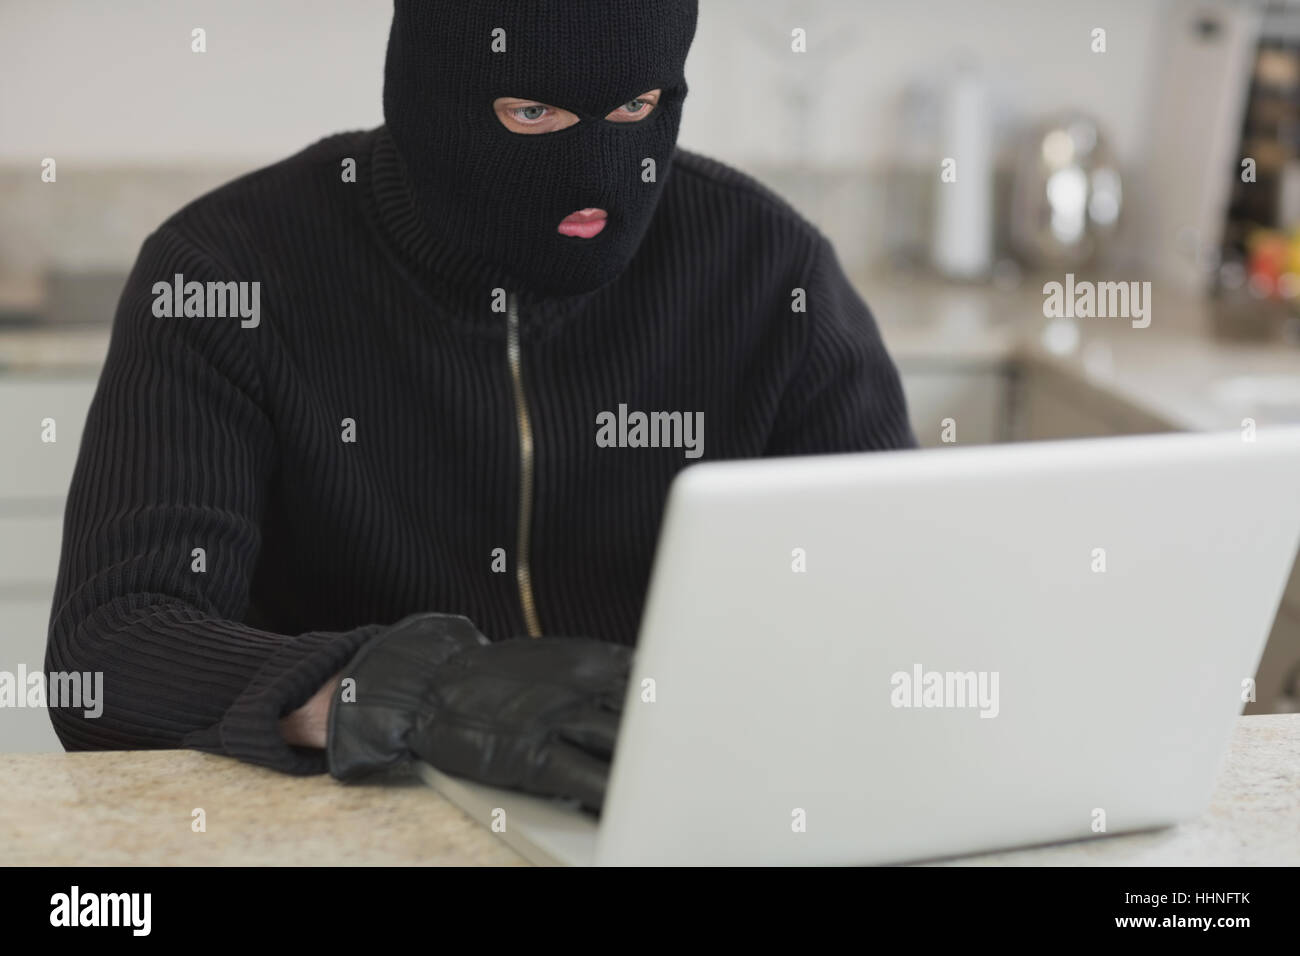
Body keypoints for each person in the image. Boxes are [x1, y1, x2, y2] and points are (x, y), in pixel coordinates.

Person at [45, 0, 915, 811]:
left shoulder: (768, 272)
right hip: (357, 815)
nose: (593, 171)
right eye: (532, 114)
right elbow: (112, 650)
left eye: (632, 110)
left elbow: (901, 610)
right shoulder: (225, 274)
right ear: (428, 91)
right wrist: (415, 696)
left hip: (678, 815)